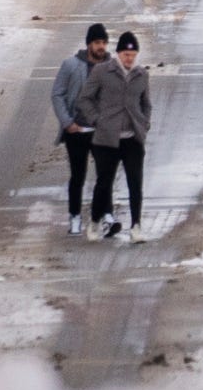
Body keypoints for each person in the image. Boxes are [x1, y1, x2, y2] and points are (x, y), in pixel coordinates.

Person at [73, 28, 154, 240]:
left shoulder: (141, 74)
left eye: (133, 55)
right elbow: (84, 98)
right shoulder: (102, 71)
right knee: (104, 183)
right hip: (107, 139)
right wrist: (96, 120)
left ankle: (136, 226)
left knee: (135, 182)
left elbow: (146, 104)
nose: (129, 59)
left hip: (132, 139)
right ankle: (94, 221)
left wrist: (144, 123)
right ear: (118, 53)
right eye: (126, 55)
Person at [52, 24, 110, 235]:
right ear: (89, 44)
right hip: (76, 130)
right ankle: (74, 217)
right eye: (97, 43)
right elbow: (57, 94)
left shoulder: (112, 66)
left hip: (101, 131)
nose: (101, 47)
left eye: (103, 42)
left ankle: (106, 215)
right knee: (78, 176)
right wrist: (67, 122)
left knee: (106, 174)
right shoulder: (71, 65)